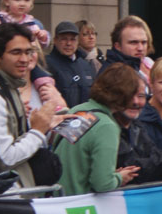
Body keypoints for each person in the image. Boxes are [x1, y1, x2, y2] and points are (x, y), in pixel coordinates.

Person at [0, 22, 61, 187]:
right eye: (16, 52)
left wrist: (45, 124)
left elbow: (16, 139)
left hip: (18, 192)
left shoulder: (9, 85)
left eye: (28, 52)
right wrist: (37, 131)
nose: (24, 60)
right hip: (4, 198)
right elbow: (3, 158)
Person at [53, 63, 142, 195]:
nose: (135, 101)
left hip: (56, 198)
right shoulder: (106, 127)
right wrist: (119, 178)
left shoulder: (78, 109)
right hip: (77, 206)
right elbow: (102, 183)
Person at [46, 21, 96, 108]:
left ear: (77, 42)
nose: (68, 43)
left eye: (72, 39)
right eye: (64, 39)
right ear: (55, 40)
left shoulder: (85, 65)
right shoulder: (47, 64)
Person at [103, 15, 153, 86]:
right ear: (117, 46)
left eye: (144, 42)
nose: (140, 48)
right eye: (133, 42)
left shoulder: (148, 63)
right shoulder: (112, 75)